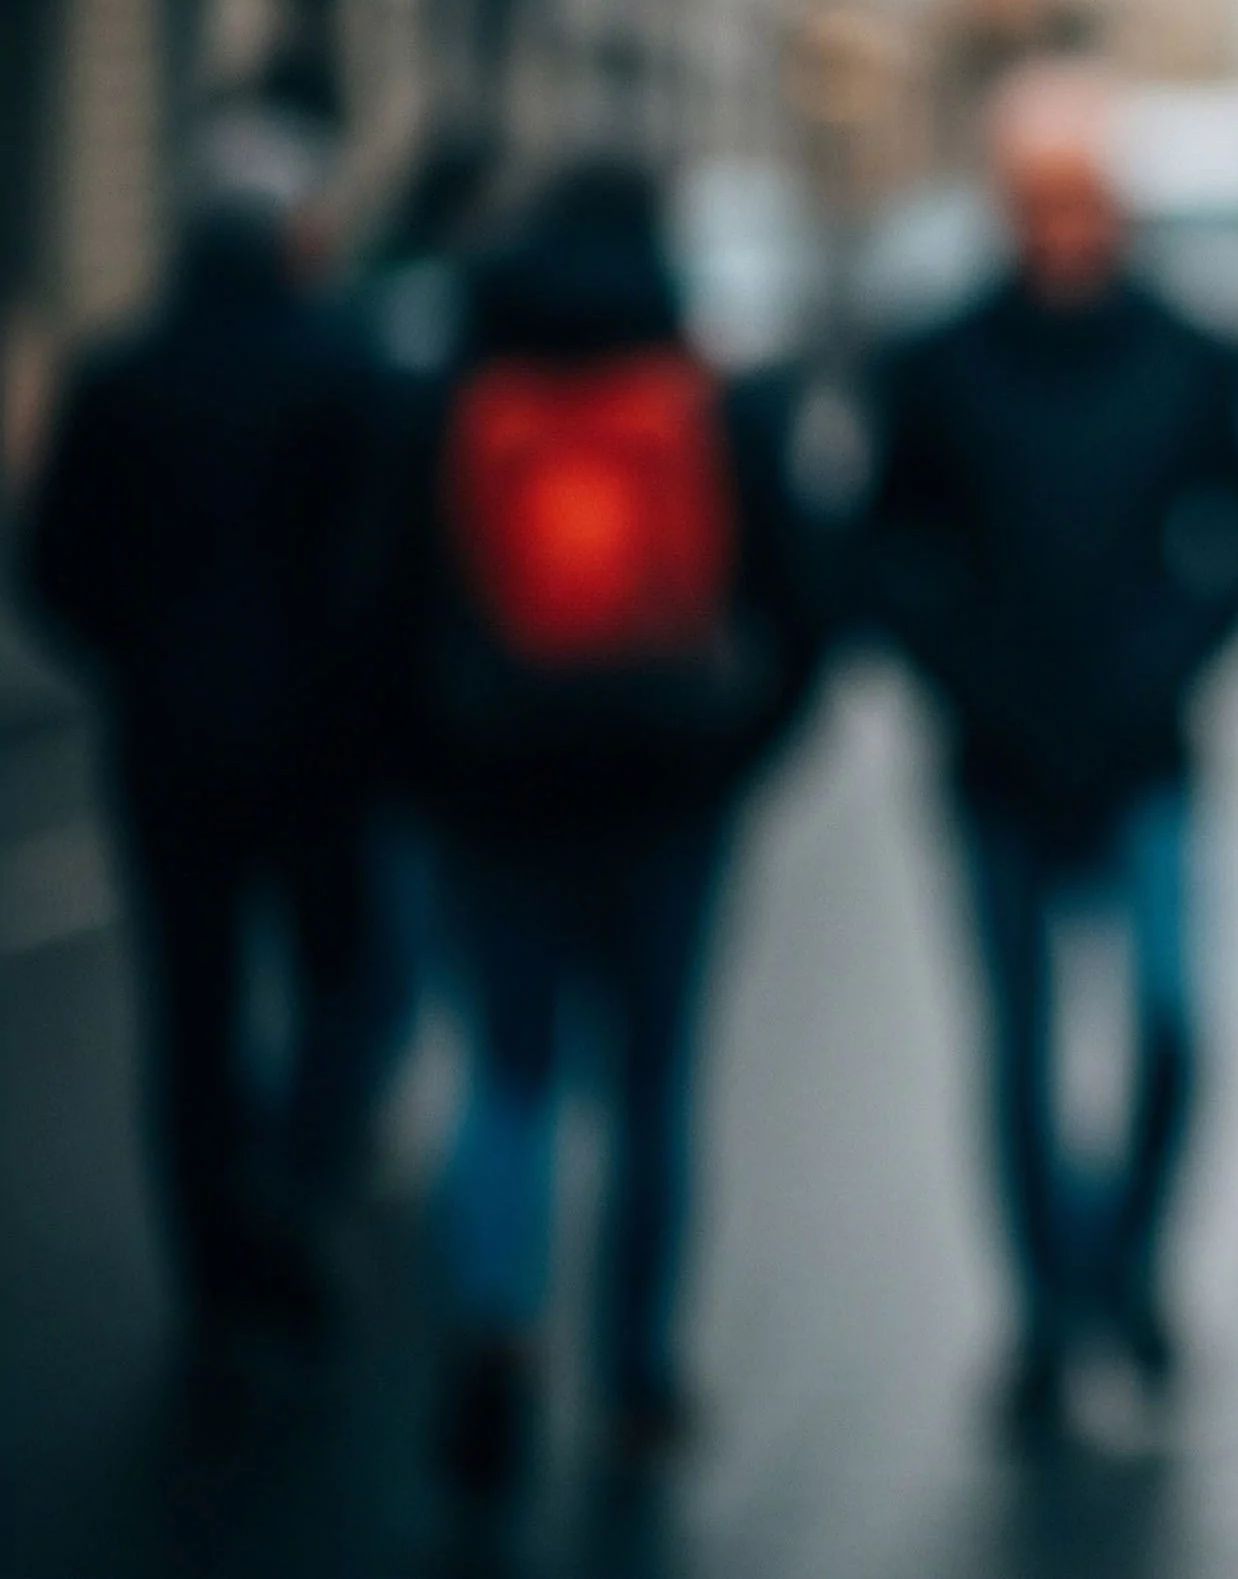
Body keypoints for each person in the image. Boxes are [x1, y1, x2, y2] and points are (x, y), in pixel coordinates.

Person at [364, 158, 829, 1493]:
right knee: (652, 1091)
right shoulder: (715, 394)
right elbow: (806, 605)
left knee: (504, 1078)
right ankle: (636, 1380)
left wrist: (428, 768)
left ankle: (498, 1334)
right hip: (667, 802)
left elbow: (378, 611)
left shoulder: (453, 391)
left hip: (493, 801)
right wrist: (734, 757)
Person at [863, 65, 1238, 1433]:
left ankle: (1128, 1271)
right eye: (1040, 203)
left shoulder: (1184, 351)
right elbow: (884, 545)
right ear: (1004, 208)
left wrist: (1166, 658)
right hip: (994, 762)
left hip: (1146, 748)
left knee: (1169, 1025)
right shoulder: (936, 359)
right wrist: (966, 677)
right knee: (1024, 1048)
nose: (1065, 230)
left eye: (1086, 202)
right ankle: (1044, 1316)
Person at [22, 104, 404, 1346]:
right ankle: (295, 1183)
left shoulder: (118, 374)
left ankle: (209, 1245)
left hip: (166, 739)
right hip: (318, 750)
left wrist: (140, 657)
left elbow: (54, 564)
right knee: (340, 977)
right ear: (296, 234)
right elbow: (385, 572)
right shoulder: (349, 369)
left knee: (190, 1005)